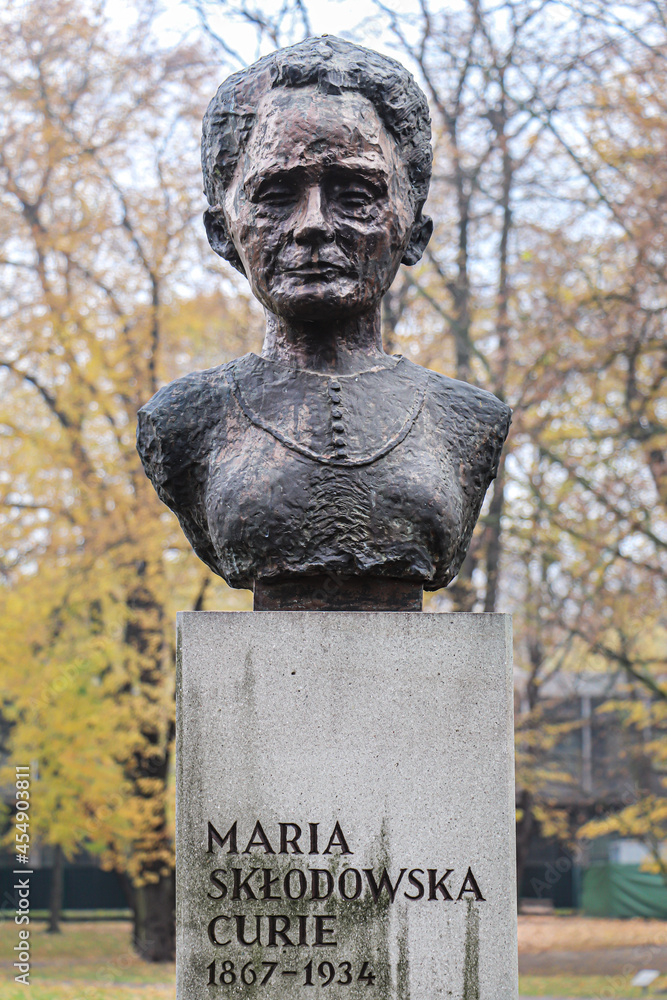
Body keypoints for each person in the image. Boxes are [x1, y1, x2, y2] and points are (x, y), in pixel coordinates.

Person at [137, 36, 511, 610]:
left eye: (355, 195)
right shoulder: (182, 422)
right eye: (275, 195)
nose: (312, 223)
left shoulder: (471, 421)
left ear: (414, 231)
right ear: (223, 233)